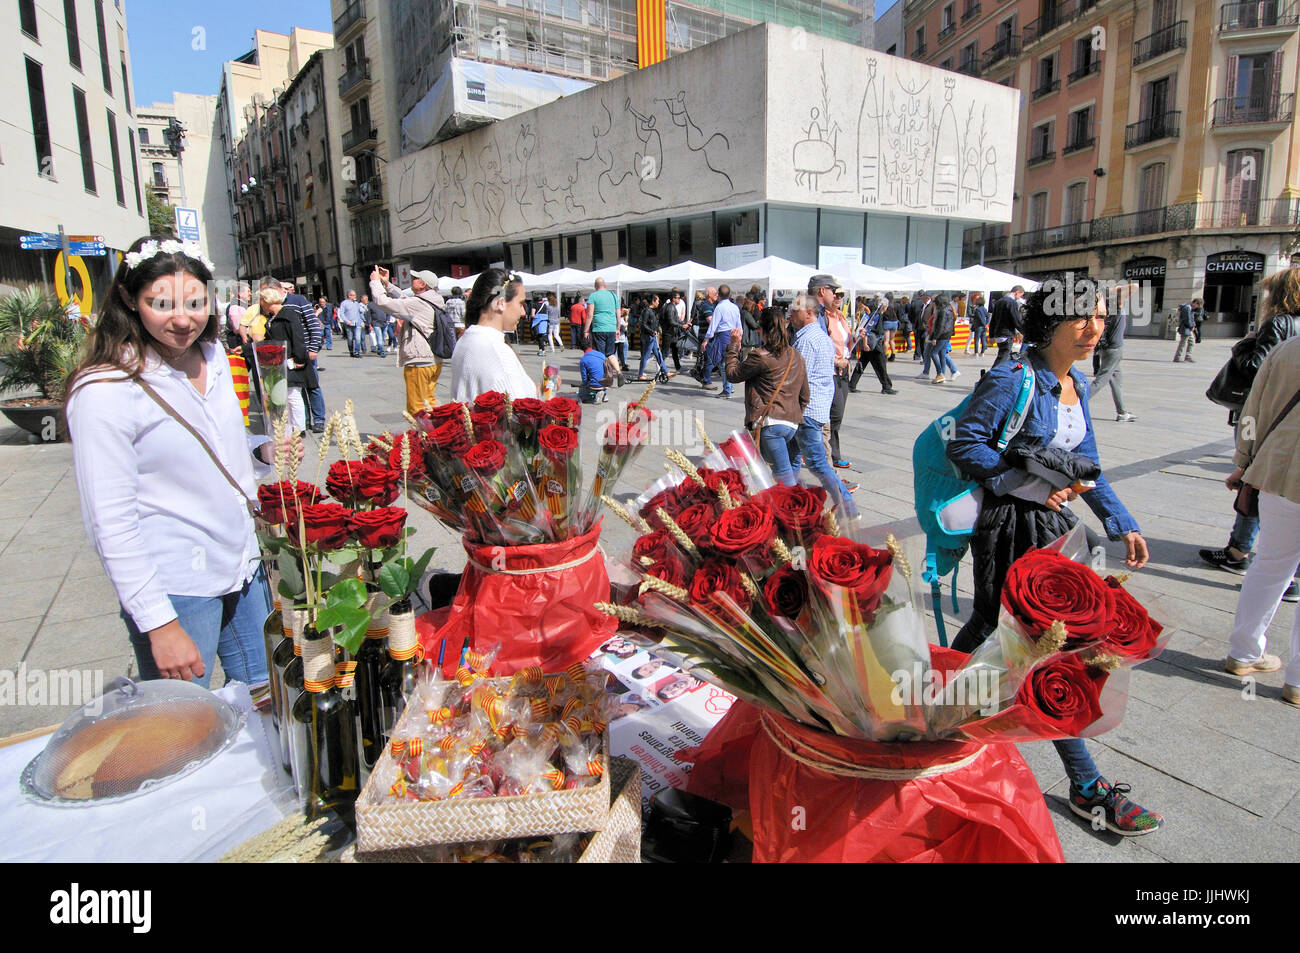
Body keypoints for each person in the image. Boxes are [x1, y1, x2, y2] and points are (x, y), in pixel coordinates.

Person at [947, 279, 1160, 836]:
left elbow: (1086, 463)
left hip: (1053, 530)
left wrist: (1120, 519)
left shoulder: (1079, 384)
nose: (1096, 329)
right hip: (1011, 527)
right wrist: (1029, 483)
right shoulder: (1013, 377)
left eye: (1102, 318)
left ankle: (933, 700)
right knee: (1041, 647)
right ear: (1051, 321)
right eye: (1083, 317)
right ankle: (1086, 784)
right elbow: (964, 443)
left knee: (1004, 632)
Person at [65, 237, 300, 686]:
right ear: (129, 300)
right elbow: (108, 521)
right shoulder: (106, 388)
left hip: (242, 566)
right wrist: (159, 623)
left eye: (195, 302)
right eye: (161, 303)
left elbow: (218, 445)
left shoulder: (212, 355)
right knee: (182, 731)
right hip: (177, 585)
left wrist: (262, 451)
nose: (182, 318)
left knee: (267, 697)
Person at [1198, 268, 1300, 597]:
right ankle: (1290, 571)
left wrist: (1242, 348)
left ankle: (1238, 551)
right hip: (1290, 424)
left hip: (1265, 418)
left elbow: (1258, 369)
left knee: (1253, 482)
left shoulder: (1278, 324)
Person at [1222, 334, 1300, 702]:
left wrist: (1244, 459)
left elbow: (1250, 413)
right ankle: (1297, 681)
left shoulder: (1289, 348)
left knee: (1269, 566)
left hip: (1277, 471)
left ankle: (1244, 652)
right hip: (1279, 472)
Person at [726, 305, 809, 485]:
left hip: (770, 424)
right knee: (762, 473)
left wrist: (733, 346)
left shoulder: (760, 356)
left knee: (783, 475)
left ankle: (792, 509)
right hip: (792, 424)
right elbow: (805, 396)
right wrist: (793, 414)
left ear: (762, 330)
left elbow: (732, 375)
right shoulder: (797, 356)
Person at [790, 293, 858, 513]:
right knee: (790, 458)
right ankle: (788, 500)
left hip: (806, 410)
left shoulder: (808, 339)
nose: (790, 314)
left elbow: (800, 378)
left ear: (809, 313)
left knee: (817, 463)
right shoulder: (816, 336)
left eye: (795, 310)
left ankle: (848, 506)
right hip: (812, 408)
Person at [450, 268, 537, 400]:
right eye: (521, 304)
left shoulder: (465, 340)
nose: (523, 312)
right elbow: (519, 412)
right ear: (500, 303)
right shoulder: (498, 352)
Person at [369, 267, 445, 415]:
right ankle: (435, 434)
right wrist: (388, 284)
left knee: (416, 409)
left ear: (423, 284)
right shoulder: (434, 300)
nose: (412, 280)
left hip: (419, 361)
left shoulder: (418, 304)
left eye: (416, 278)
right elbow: (406, 300)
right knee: (429, 404)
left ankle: (424, 436)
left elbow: (383, 302)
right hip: (433, 359)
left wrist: (376, 283)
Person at [260, 284, 317, 434]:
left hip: (292, 361)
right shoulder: (273, 318)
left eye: (261, 300)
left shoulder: (289, 315)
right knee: (286, 396)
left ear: (267, 300)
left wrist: (299, 360)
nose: (260, 304)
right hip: (280, 363)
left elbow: (298, 338)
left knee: (293, 395)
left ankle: (299, 428)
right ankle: (288, 427)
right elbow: (267, 341)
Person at [808, 276, 852, 466]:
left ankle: (827, 462)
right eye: (834, 292)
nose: (837, 296)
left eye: (840, 294)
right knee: (827, 419)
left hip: (838, 371)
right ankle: (831, 472)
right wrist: (835, 360)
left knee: (830, 419)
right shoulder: (815, 314)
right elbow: (815, 348)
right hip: (826, 373)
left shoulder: (835, 316)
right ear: (821, 291)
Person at [282, 280, 326, 432]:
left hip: (306, 351)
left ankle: (319, 419)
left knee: (312, 386)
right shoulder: (274, 305)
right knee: (298, 388)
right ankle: (305, 421)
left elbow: (313, 324)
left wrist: (313, 348)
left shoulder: (298, 300)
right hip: (291, 353)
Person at [1092, 286, 1135, 422]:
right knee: (1101, 380)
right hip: (1114, 350)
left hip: (1106, 349)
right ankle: (1077, 401)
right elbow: (1134, 286)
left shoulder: (1104, 311)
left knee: (1116, 381)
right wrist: (1112, 289)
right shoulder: (1117, 308)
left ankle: (1122, 412)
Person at [848, 296, 897, 395]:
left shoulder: (875, 313)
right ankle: (886, 386)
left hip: (871, 343)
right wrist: (865, 343)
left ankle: (852, 385)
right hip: (873, 344)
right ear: (883, 306)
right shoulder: (876, 315)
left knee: (862, 363)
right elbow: (867, 329)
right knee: (881, 365)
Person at [701, 285, 741, 397]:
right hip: (734, 334)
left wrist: (706, 340)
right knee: (731, 361)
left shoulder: (719, 307)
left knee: (724, 363)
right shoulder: (735, 307)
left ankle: (727, 389)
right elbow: (739, 324)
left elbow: (713, 325)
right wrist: (739, 340)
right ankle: (730, 386)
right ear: (729, 295)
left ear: (719, 294)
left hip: (723, 335)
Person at [989, 285, 1026, 366]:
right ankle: (994, 375)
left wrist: (991, 335)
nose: (1019, 298)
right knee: (1003, 358)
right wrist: (1025, 331)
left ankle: (1000, 374)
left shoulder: (999, 301)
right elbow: (1016, 319)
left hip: (998, 333)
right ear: (1017, 292)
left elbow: (993, 320)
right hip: (1007, 333)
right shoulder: (1011, 302)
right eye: (1020, 295)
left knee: (1006, 356)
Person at [636, 293, 669, 381]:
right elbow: (643, 324)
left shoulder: (652, 311)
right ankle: (640, 374)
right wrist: (652, 332)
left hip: (652, 336)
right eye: (657, 300)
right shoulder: (647, 311)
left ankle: (666, 371)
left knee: (658, 355)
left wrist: (656, 331)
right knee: (646, 355)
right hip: (648, 337)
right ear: (653, 301)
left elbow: (653, 324)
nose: (658, 302)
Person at [929, 292, 960, 384]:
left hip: (942, 334)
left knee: (933, 353)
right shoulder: (949, 308)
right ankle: (942, 374)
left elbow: (940, 325)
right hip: (947, 334)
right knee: (942, 354)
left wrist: (935, 337)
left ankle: (940, 373)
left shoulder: (942, 311)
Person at [586, 279, 619, 357]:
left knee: (600, 354)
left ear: (595, 286)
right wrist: (618, 328)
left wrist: (586, 330)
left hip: (599, 328)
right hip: (611, 328)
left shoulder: (593, 295)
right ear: (605, 285)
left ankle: (602, 369)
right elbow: (618, 313)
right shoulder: (613, 295)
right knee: (610, 354)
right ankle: (615, 369)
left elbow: (589, 315)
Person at [579, 336, 610, 403]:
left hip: (594, 385)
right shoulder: (601, 354)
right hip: (606, 382)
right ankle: (604, 394)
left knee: (581, 395)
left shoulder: (583, 360)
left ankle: (595, 395)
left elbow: (584, 379)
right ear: (590, 344)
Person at [660, 289, 684, 373]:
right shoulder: (670, 307)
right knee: (665, 352)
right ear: (673, 299)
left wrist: (685, 323)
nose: (679, 300)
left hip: (672, 333)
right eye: (678, 298)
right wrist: (681, 325)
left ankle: (678, 367)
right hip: (668, 333)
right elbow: (671, 321)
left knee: (674, 351)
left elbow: (676, 320)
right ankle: (661, 368)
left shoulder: (672, 307)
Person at [1174, 296, 1202, 363]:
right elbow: (1187, 319)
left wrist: (1193, 325)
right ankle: (1177, 357)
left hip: (1188, 328)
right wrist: (1191, 326)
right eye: (1197, 305)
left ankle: (1188, 357)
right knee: (1183, 343)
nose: (1196, 307)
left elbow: (1191, 318)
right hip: (1185, 328)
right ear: (1194, 302)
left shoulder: (1190, 308)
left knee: (1192, 342)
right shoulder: (1187, 308)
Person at [338, 290, 365, 357]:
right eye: (353, 295)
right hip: (349, 324)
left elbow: (360, 314)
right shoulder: (344, 303)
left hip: (357, 323)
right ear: (349, 295)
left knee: (358, 338)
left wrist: (362, 322)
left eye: (355, 295)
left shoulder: (356, 303)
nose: (355, 296)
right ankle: (351, 351)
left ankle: (357, 352)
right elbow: (341, 313)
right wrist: (346, 321)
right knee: (350, 339)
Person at [968, 291, 990, 356]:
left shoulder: (978, 309)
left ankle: (976, 352)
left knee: (977, 339)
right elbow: (988, 316)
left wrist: (984, 324)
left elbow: (980, 318)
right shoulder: (984, 309)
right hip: (984, 326)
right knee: (983, 339)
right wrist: (986, 324)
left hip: (979, 326)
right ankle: (982, 352)